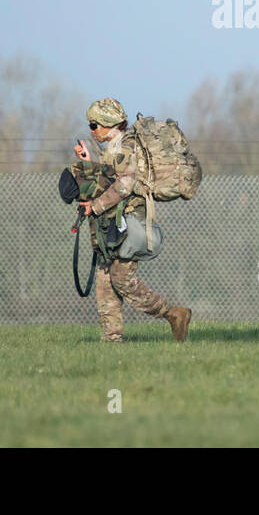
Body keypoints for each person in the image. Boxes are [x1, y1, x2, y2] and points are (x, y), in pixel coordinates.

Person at [73, 97, 192, 343]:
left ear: (108, 124)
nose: (92, 130)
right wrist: (87, 161)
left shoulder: (126, 147)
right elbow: (108, 177)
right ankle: (111, 339)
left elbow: (125, 185)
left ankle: (173, 314)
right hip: (112, 221)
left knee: (121, 279)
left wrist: (94, 207)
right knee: (106, 279)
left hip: (127, 220)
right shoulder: (114, 148)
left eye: (94, 125)